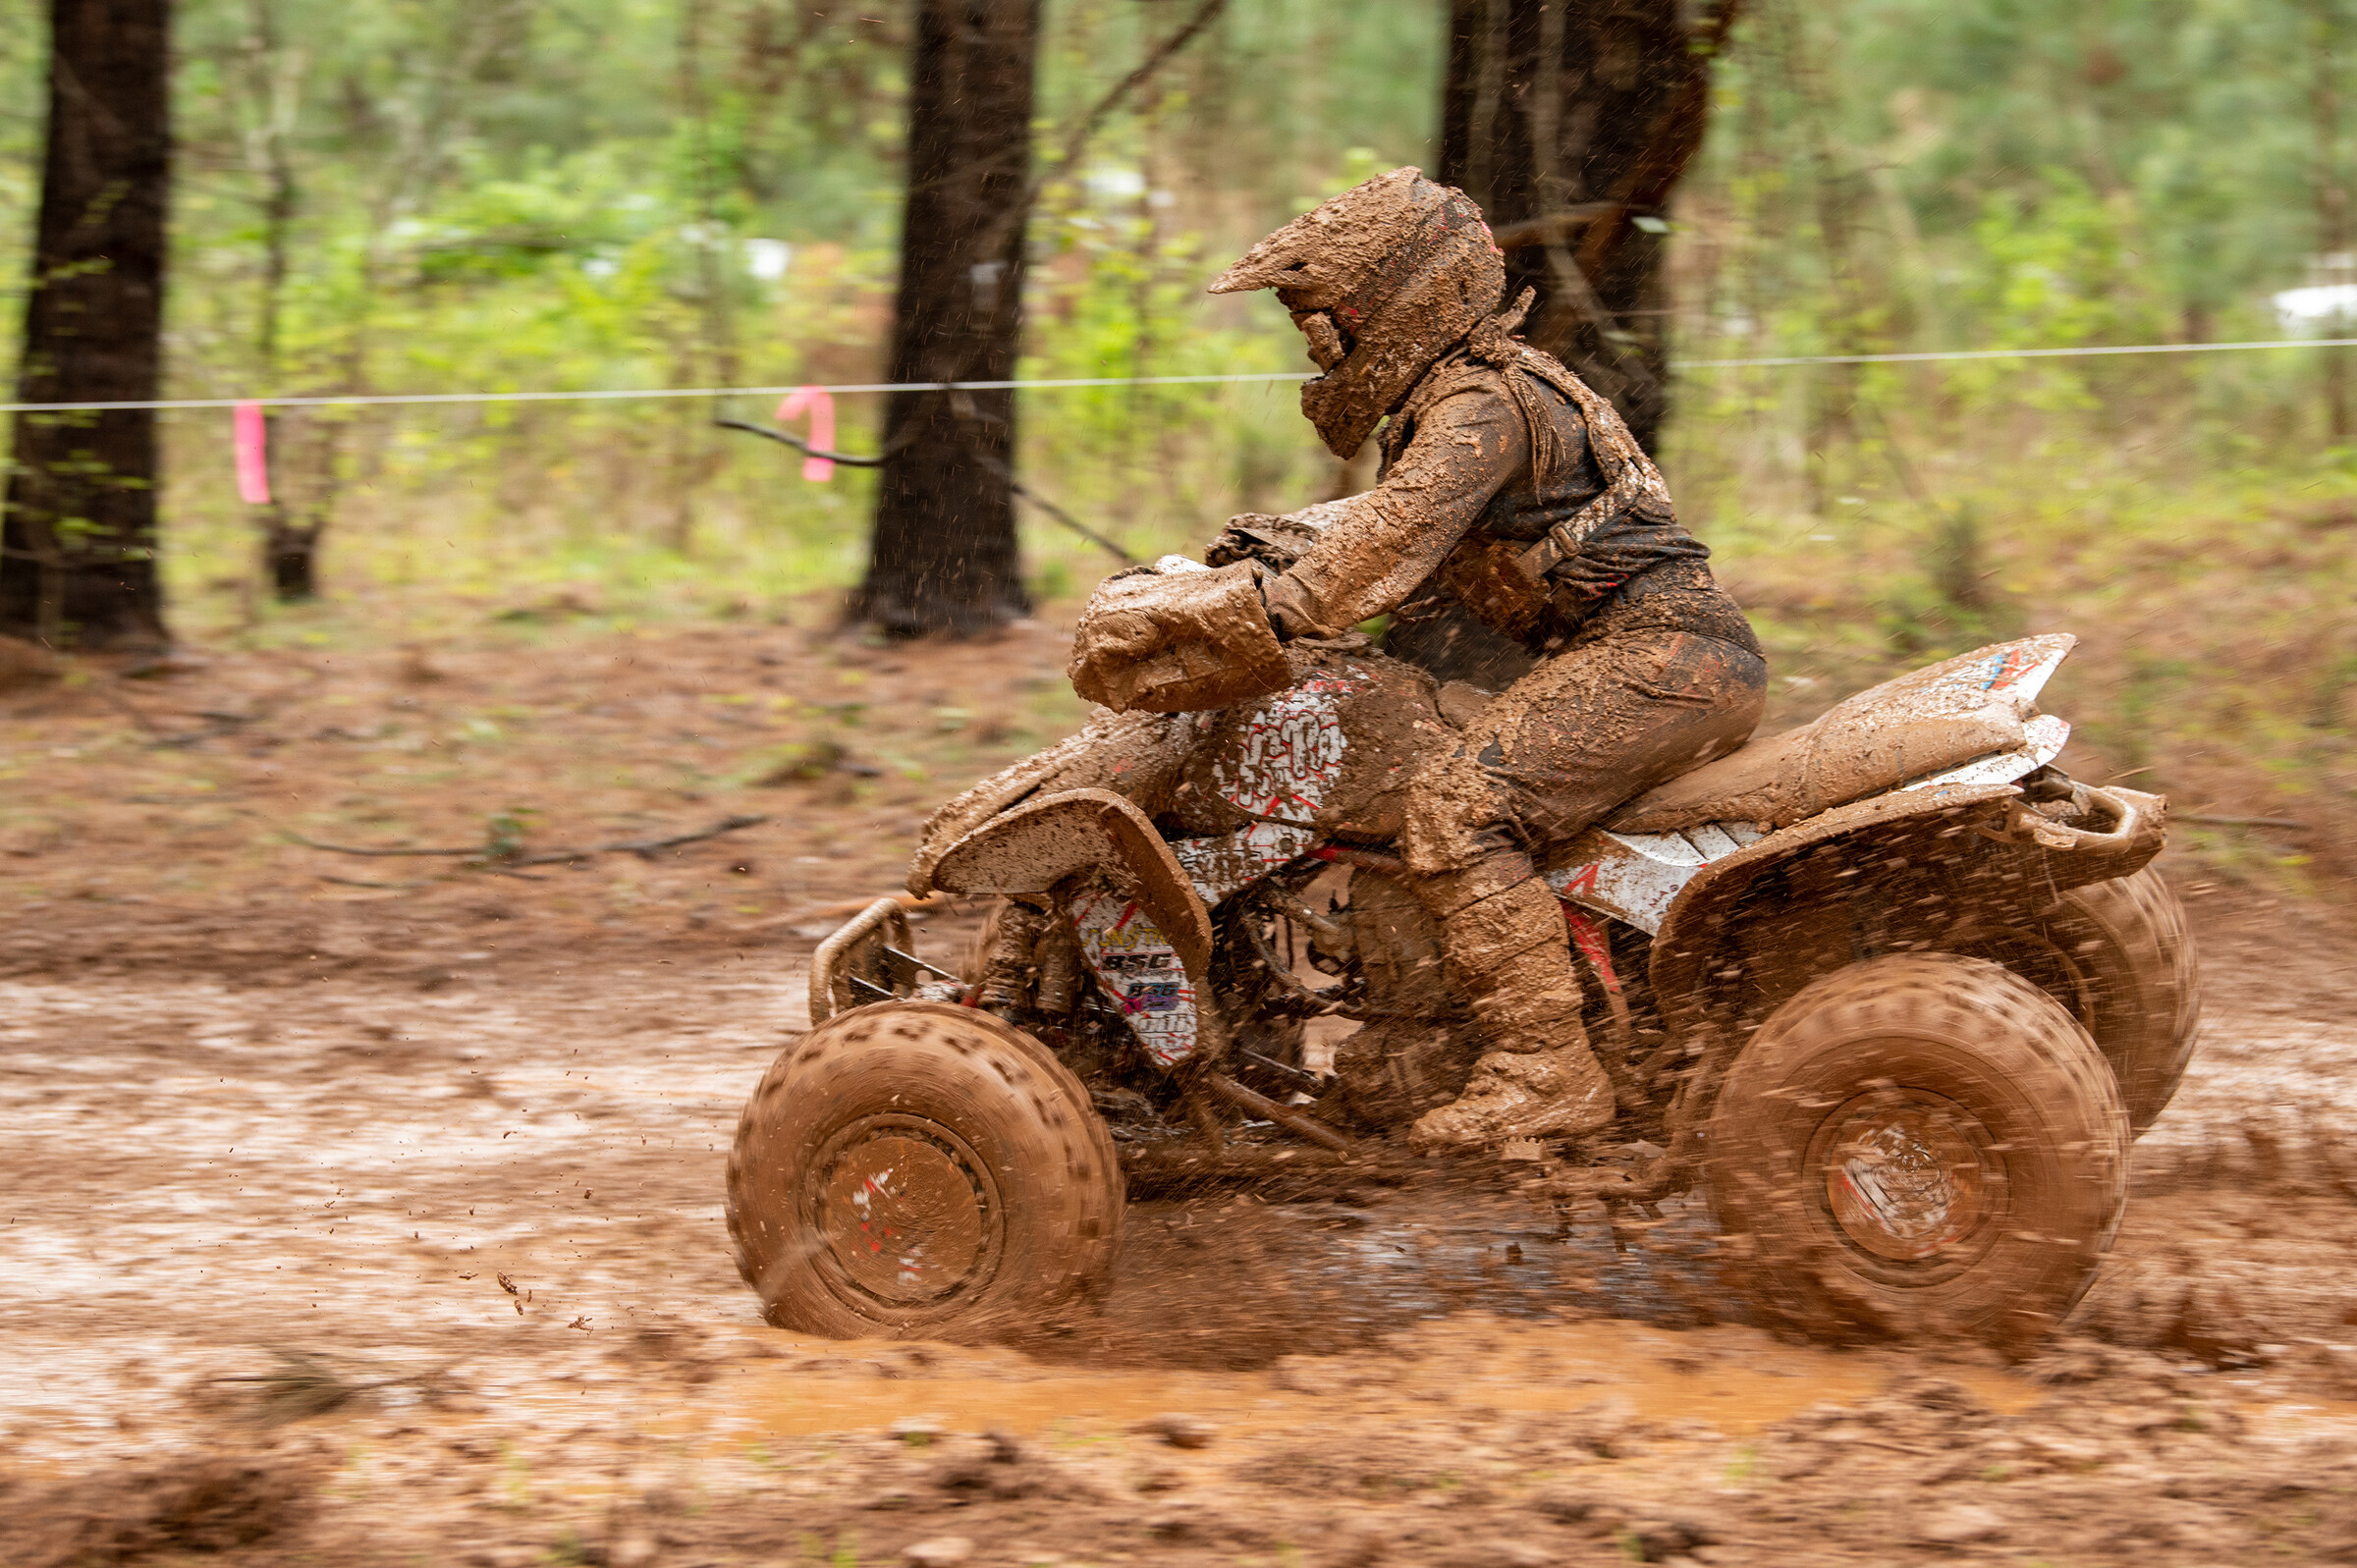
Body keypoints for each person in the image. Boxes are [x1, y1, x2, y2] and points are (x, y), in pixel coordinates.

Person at [1199, 167, 1768, 1149]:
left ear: (1398, 300)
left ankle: (1545, 1066)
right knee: (1409, 762)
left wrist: (1245, 616)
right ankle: (1414, 1047)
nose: (1319, 350)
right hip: (1643, 656)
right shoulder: (1456, 406)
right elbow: (1387, 535)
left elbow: (1377, 551)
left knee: (1457, 802)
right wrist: (1241, 560)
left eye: (1326, 325)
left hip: (1665, 654)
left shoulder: (1483, 404)